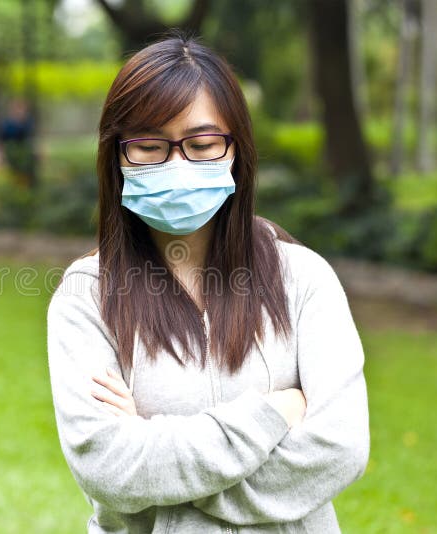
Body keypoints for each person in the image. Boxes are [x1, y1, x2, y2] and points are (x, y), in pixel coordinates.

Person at [46, 34, 369, 534]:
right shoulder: (86, 297)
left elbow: (339, 450)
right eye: (149, 146)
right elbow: (109, 470)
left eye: (202, 145)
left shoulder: (304, 279)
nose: (177, 165)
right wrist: (273, 413)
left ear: (236, 150)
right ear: (116, 157)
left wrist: (157, 468)